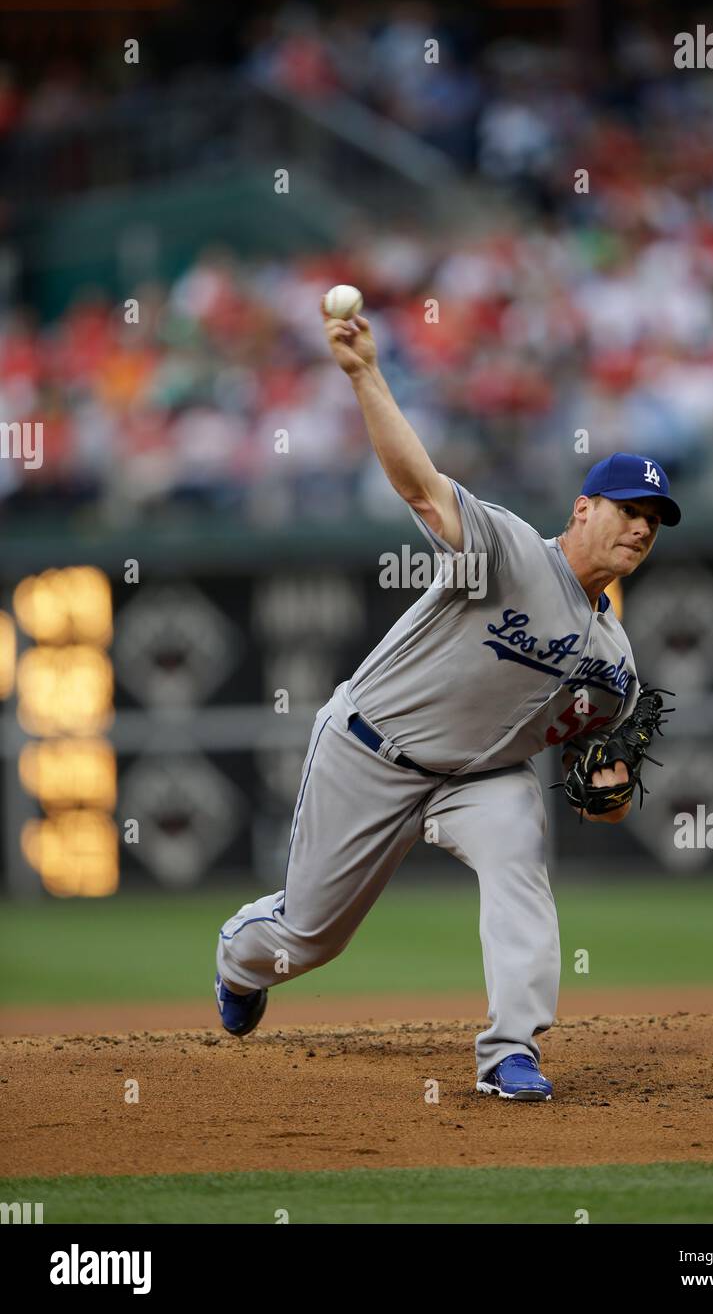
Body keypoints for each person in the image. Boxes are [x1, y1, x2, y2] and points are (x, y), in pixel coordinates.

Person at [215, 301, 681, 1102]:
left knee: (519, 854)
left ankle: (511, 1052)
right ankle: (237, 961)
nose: (639, 528)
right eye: (626, 510)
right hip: (371, 747)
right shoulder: (508, 552)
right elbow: (423, 491)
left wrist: (607, 799)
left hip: (481, 779)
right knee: (311, 937)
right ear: (582, 509)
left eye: (653, 521)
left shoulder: (615, 666)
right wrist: (364, 372)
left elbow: (596, 787)